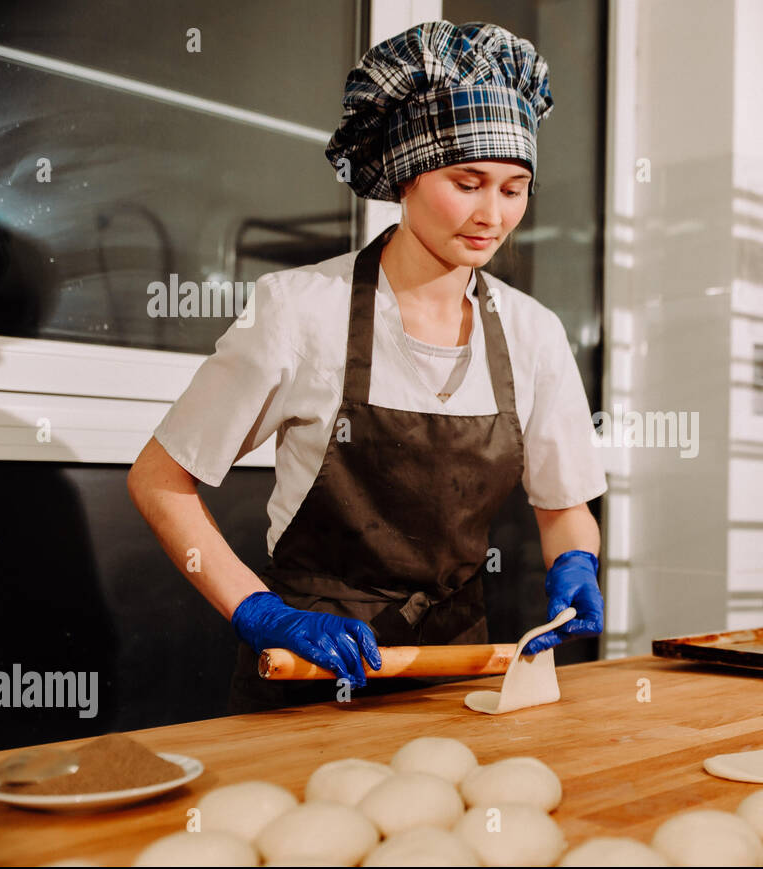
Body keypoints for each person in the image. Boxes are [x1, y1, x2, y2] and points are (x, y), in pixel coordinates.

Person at [127, 21, 607, 714]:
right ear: (406, 178)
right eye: (467, 182)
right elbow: (157, 481)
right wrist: (261, 613)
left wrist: (575, 562)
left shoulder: (534, 333)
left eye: (513, 188)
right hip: (311, 667)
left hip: (455, 671)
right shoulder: (298, 310)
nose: (492, 215)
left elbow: (565, 505)